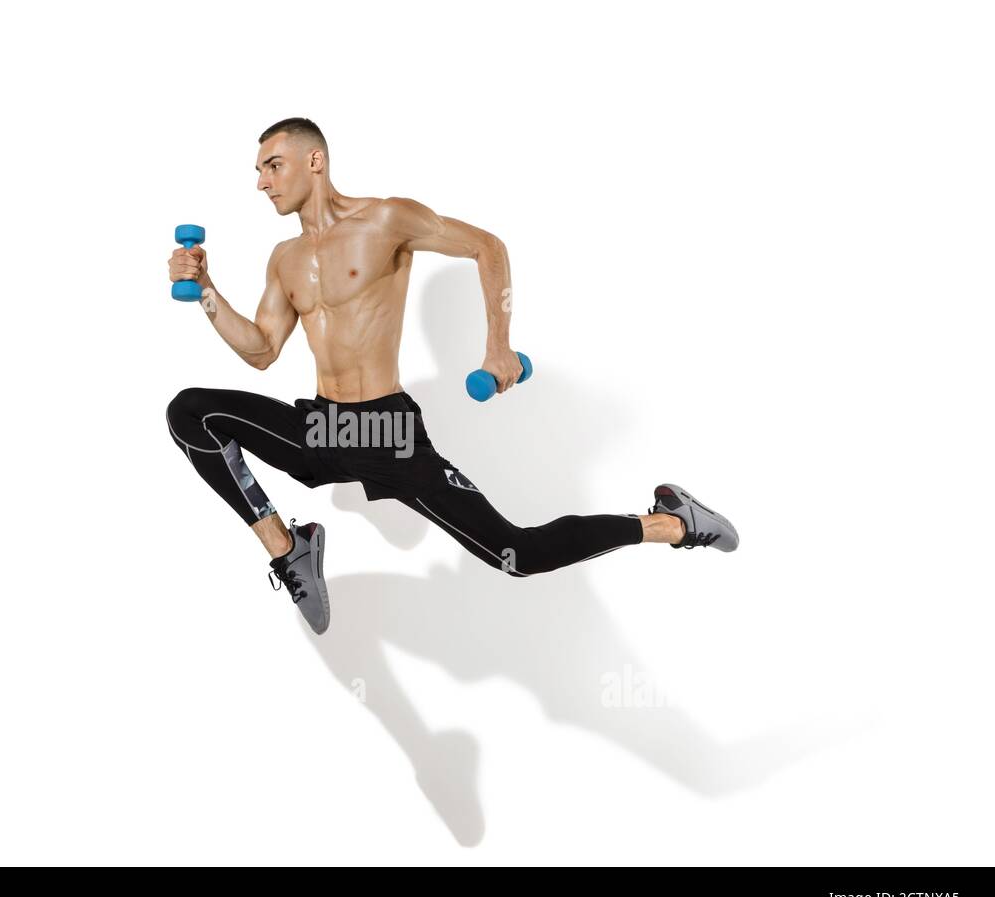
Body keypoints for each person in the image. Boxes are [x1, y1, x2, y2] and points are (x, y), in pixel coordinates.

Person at [166, 118, 738, 635]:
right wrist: (207, 292)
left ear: (315, 161)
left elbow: (487, 247)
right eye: (259, 171)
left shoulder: (386, 219)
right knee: (190, 411)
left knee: (517, 553)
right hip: (321, 429)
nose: (262, 183)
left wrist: (498, 346)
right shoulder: (284, 258)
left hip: (384, 433)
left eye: (273, 166)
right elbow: (262, 350)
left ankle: (671, 522)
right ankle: (288, 547)